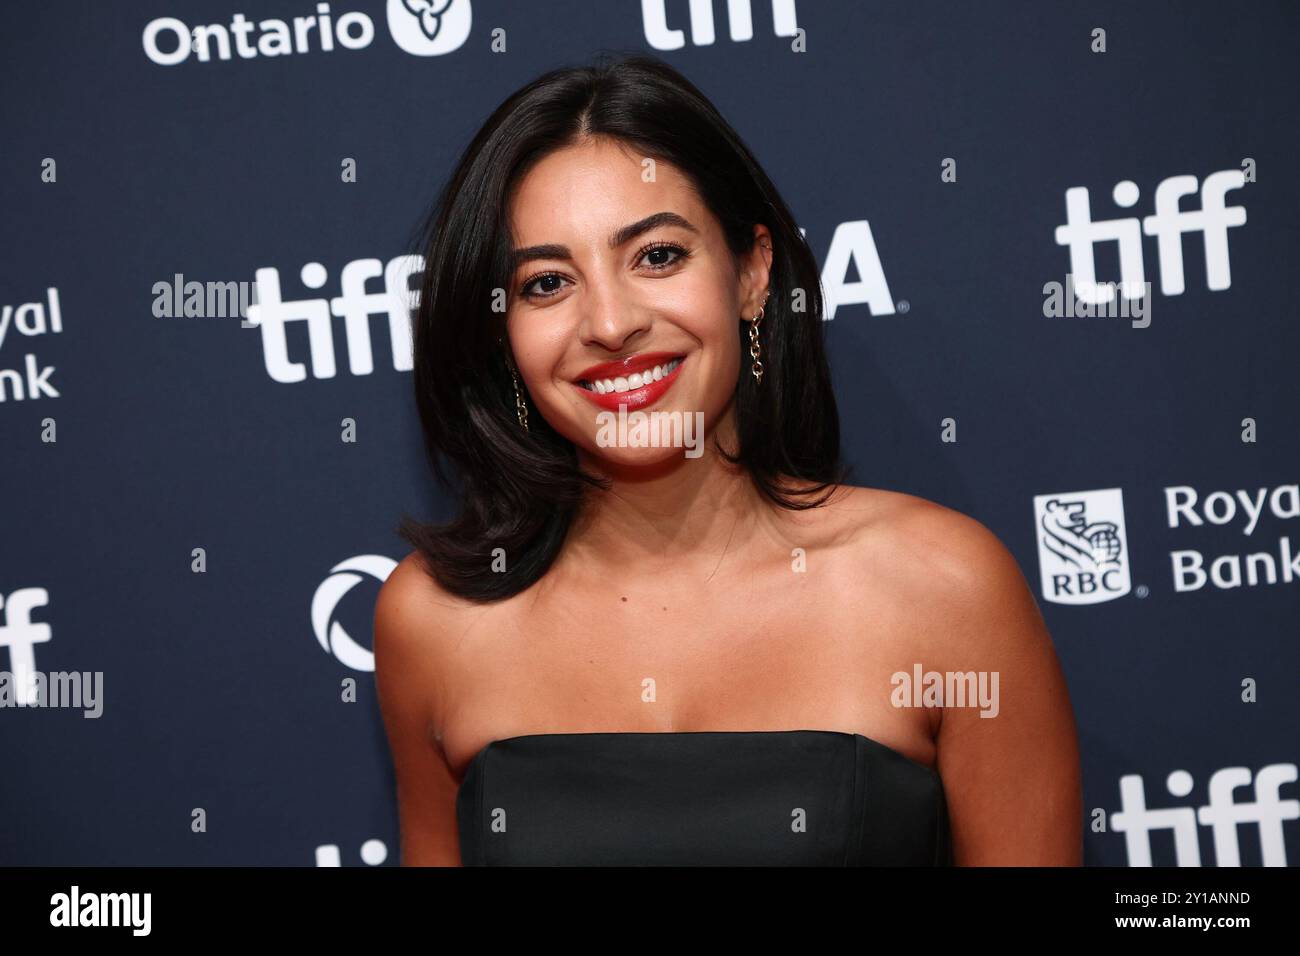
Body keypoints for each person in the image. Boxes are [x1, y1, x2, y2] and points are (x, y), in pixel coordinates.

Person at [374, 52, 1082, 866]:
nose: (610, 323)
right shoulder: (434, 623)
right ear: (501, 334)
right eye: (545, 283)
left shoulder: (941, 589)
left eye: (657, 256)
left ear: (752, 273)